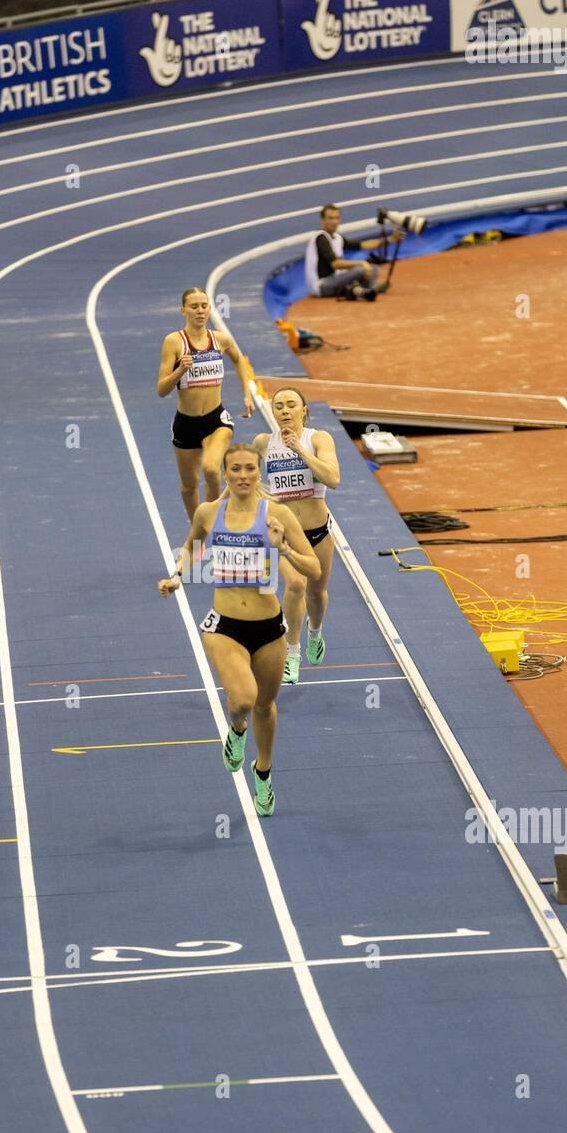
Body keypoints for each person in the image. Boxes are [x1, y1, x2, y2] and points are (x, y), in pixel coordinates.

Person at [158, 442, 320, 815]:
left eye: (250, 469)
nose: (243, 475)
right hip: (224, 626)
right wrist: (176, 576)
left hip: (269, 628)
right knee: (245, 699)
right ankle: (236, 728)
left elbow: (313, 570)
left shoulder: (277, 515)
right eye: (236, 469)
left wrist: (285, 551)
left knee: (265, 705)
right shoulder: (208, 512)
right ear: (226, 473)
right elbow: (191, 546)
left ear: (258, 472)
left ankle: (262, 772)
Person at [254, 387, 340, 683]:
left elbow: (333, 479)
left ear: (304, 410)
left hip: (317, 530)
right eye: (278, 406)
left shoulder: (318, 439)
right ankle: (292, 652)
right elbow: (247, 478)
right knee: (294, 585)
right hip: (286, 534)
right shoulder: (264, 442)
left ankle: (314, 632)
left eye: (291, 405)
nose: (285, 411)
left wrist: (301, 452)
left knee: (316, 593)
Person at [158, 287, 255, 518]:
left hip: (216, 420)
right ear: (183, 310)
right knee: (189, 486)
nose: (200, 311)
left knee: (211, 469)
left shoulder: (220, 339)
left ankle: (214, 522)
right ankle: (198, 527)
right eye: (194, 307)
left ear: (210, 309)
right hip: (186, 423)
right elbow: (162, 390)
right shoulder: (173, 342)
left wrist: (247, 394)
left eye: (204, 306)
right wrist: (180, 369)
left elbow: (239, 361)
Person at [304, 203, 402, 300]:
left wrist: (390, 239)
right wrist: (362, 263)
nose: (334, 222)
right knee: (360, 269)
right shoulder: (321, 238)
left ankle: (362, 291)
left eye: (337, 218)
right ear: (323, 220)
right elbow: (335, 264)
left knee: (374, 268)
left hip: (335, 280)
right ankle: (366, 289)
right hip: (322, 285)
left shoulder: (337, 238)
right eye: (330, 218)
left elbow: (362, 245)